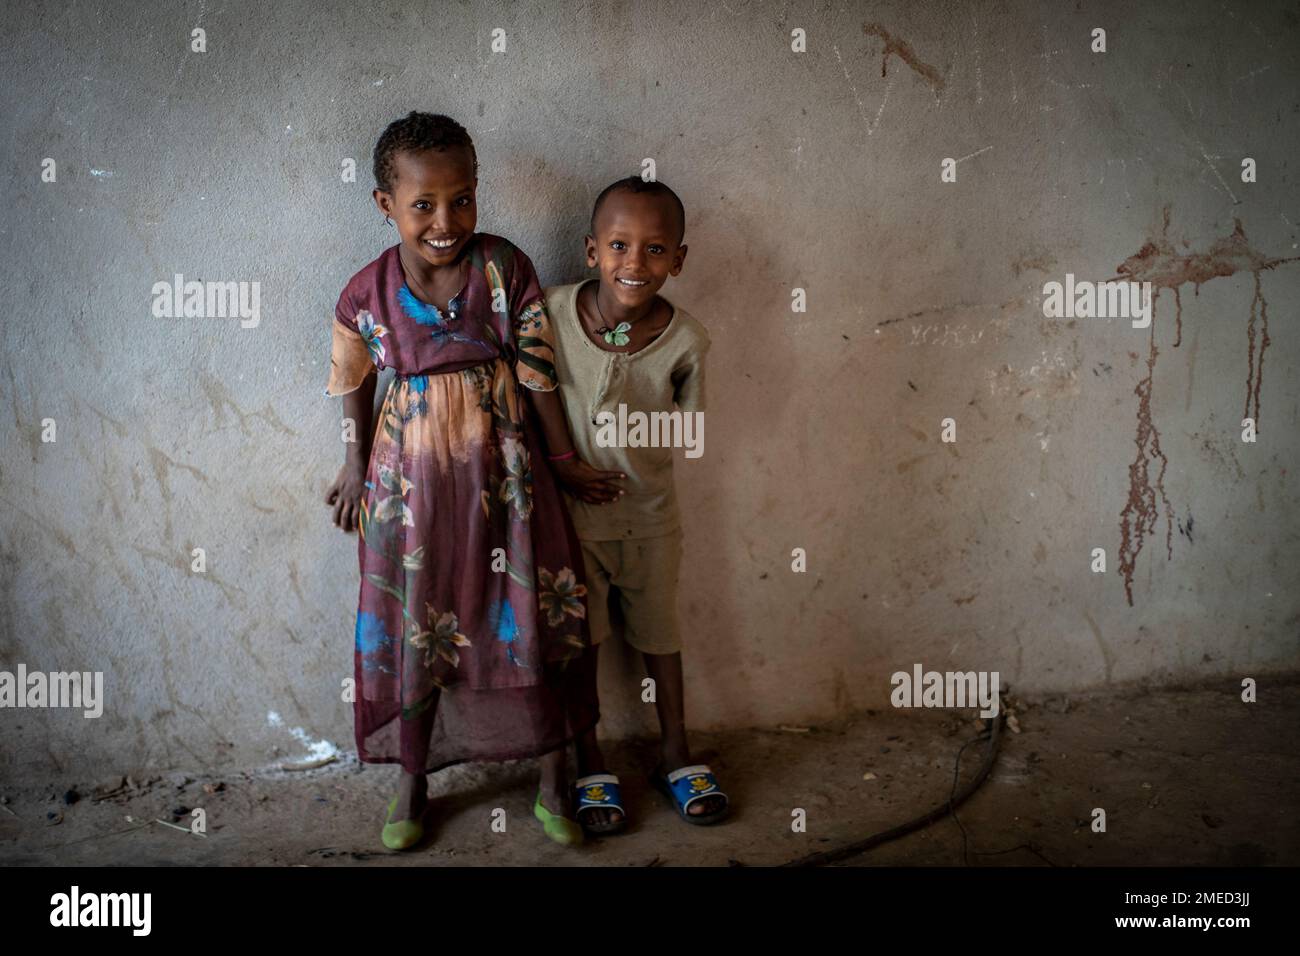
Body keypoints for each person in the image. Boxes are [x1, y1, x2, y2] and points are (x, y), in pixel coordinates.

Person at [323, 112, 622, 849]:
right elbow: (350, 382)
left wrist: (561, 464)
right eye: (422, 203)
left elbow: (537, 372)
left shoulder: (504, 268)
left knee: (526, 616)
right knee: (418, 624)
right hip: (411, 495)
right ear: (385, 205)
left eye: (462, 199)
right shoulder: (365, 293)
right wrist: (355, 464)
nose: (444, 220)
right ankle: (412, 782)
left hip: (509, 484)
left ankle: (555, 779)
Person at [543, 177, 728, 834]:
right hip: (570, 524)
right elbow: (524, 390)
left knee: (660, 637)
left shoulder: (687, 341)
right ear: (592, 250)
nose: (635, 262)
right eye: (620, 245)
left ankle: (676, 751)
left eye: (655, 250)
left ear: (679, 259)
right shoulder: (551, 314)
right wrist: (567, 466)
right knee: (582, 643)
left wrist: (629, 428)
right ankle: (590, 756)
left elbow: (692, 431)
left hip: (649, 518)